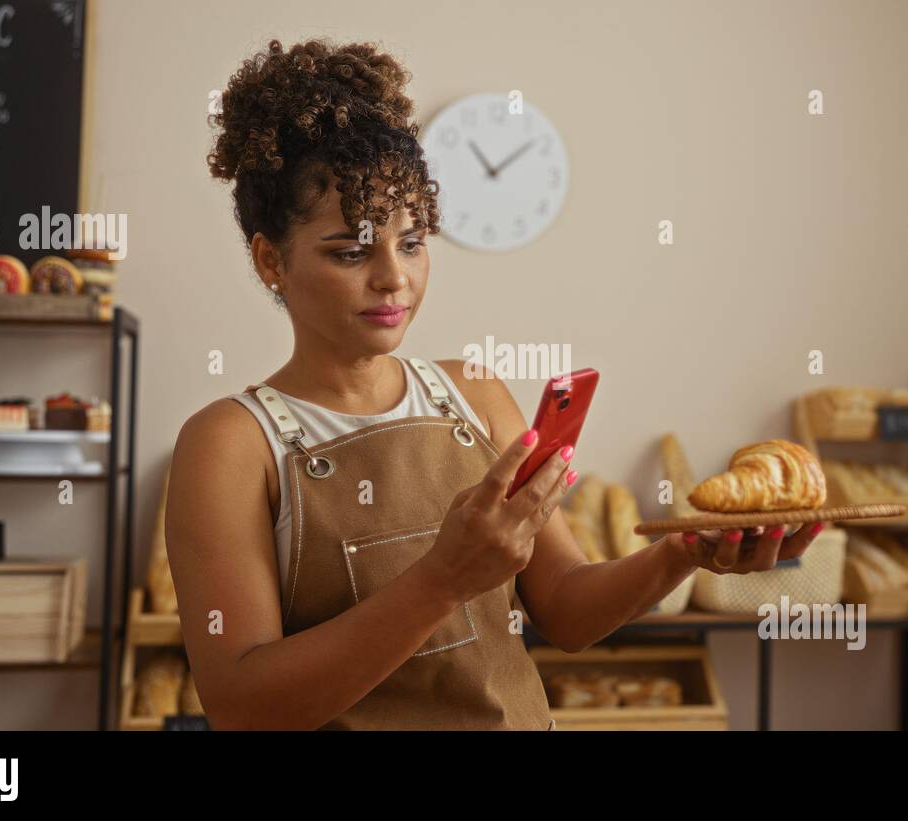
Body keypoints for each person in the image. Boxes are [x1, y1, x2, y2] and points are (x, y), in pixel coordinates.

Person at [165, 38, 822, 730]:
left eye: (413, 241)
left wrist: (684, 551)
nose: (394, 276)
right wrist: (442, 578)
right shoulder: (229, 444)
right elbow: (242, 706)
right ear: (270, 259)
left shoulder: (473, 393)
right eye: (351, 251)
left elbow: (566, 607)